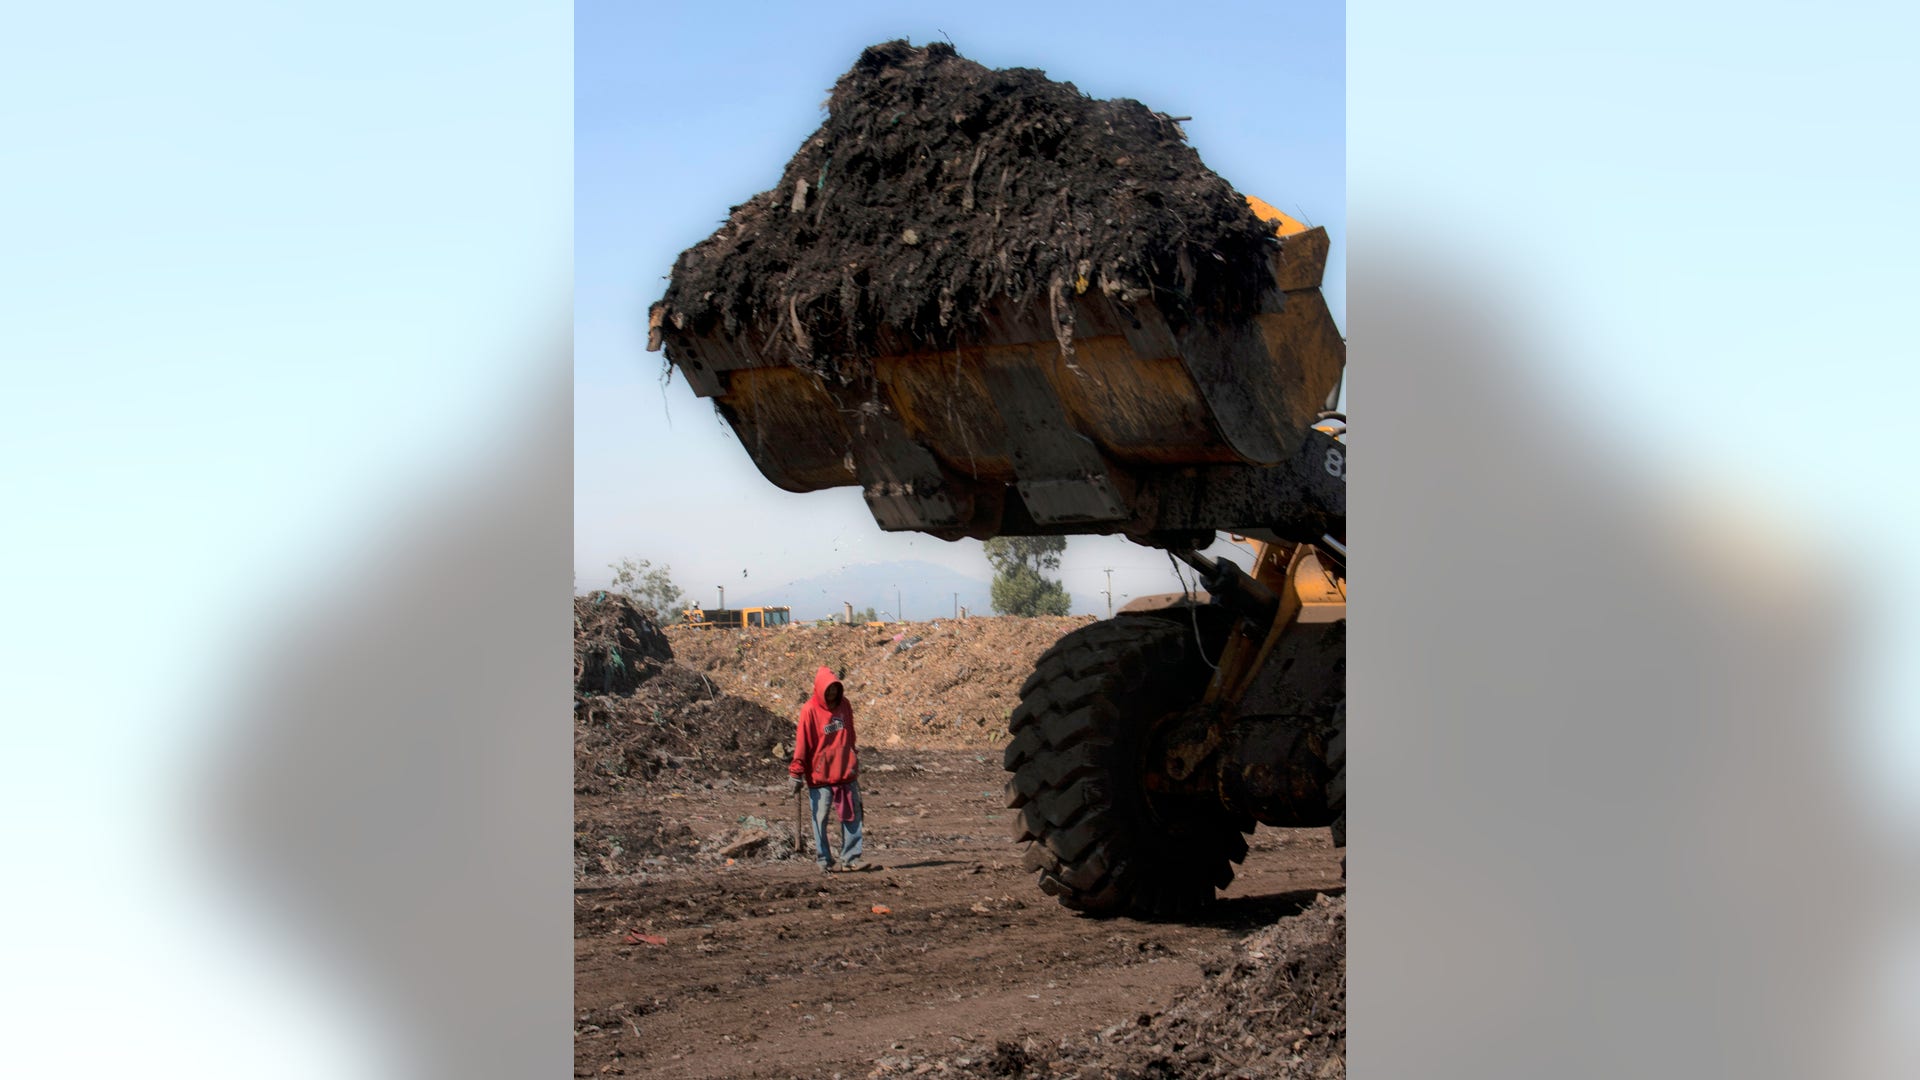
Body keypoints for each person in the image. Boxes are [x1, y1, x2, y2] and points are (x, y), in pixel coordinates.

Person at [788, 666, 868, 872]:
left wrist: (852, 759)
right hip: (820, 776)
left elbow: (850, 735)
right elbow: (803, 743)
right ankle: (824, 860)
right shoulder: (810, 710)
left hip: (844, 773)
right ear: (819, 689)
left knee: (852, 816)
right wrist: (796, 771)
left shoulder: (845, 706)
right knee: (820, 818)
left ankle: (850, 859)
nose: (832, 693)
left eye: (834, 689)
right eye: (828, 689)